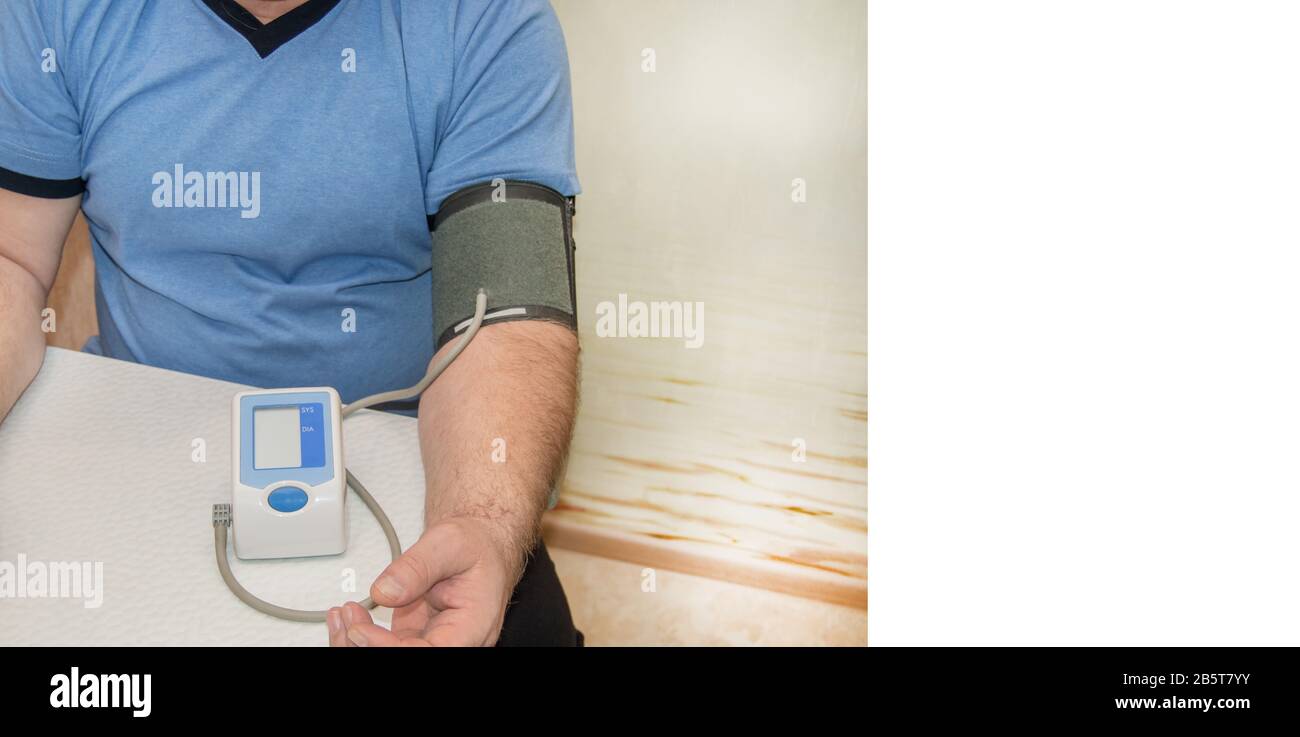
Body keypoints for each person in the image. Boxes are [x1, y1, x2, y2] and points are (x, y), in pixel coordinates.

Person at [0, 0, 584, 646]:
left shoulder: (488, 18)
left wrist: (479, 520)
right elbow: (11, 259)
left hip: (422, 479)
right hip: (142, 460)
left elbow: (505, 323)